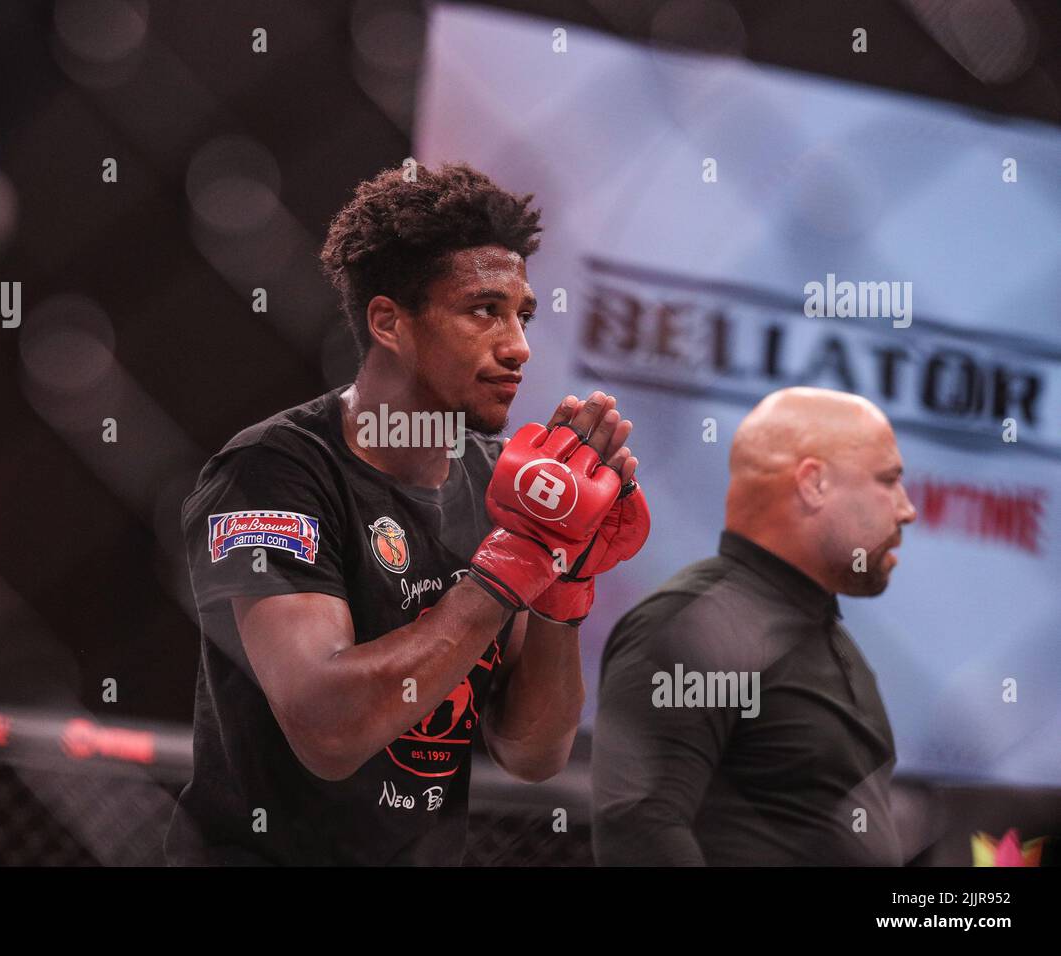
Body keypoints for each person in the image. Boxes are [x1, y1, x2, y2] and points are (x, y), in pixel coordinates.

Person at [164, 162, 650, 865]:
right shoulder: (273, 473)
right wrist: (513, 566)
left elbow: (531, 752)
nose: (518, 345)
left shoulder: (497, 482)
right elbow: (326, 731)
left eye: (523, 316)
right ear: (390, 322)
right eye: (484, 310)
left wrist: (564, 584)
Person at [592, 387, 917, 865]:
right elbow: (638, 828)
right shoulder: (694, 625)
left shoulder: (825, 633)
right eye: (889, 480)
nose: (906, 509)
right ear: (814, 484)